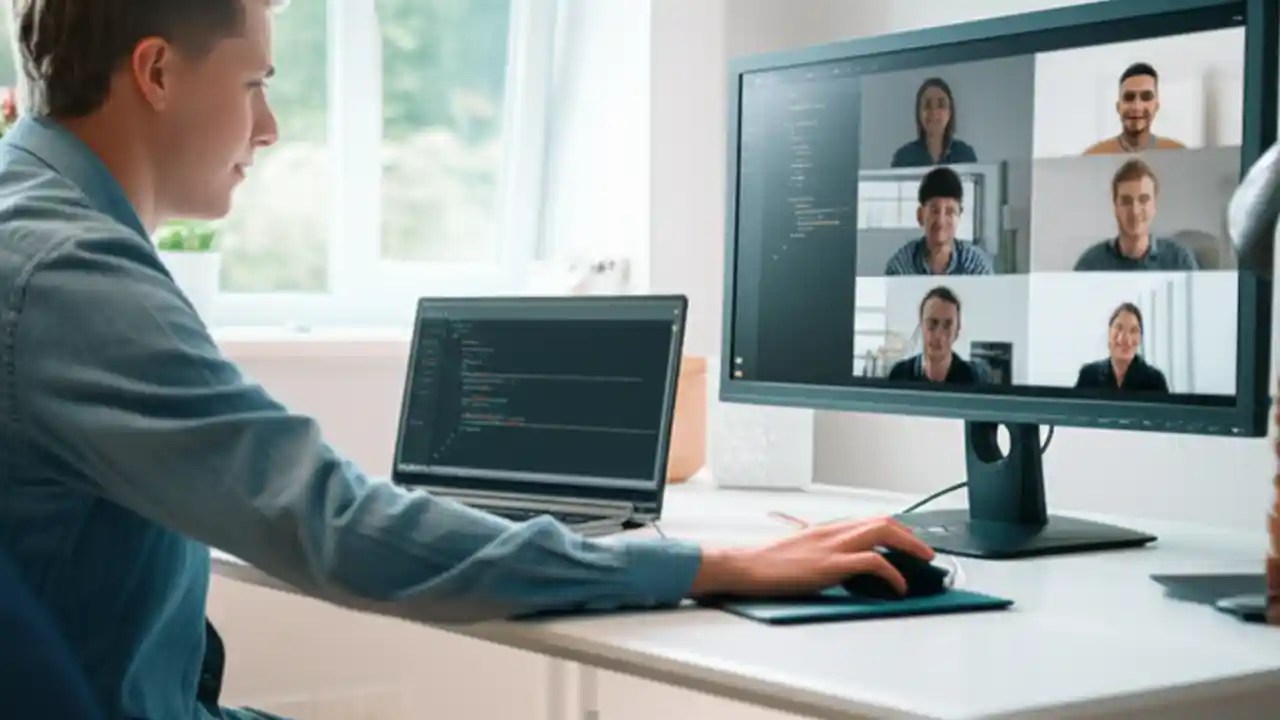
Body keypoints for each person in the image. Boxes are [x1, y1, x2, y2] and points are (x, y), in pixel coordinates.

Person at [0, 2, 937, 719]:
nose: (271, 126)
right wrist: (712, 566)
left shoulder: (36, 225)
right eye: (255, 84)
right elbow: (331, 524)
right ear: (157, 72)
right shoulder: (72, 276)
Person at [1073, 158, 1199, 271]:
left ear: (1154, 206)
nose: (1135, 210)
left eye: (1143, 200)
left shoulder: (1179, 261)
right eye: (1126, 201)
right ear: (1115, 207)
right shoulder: (1090, 265)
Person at [884, 166, 994, 276]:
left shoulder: (976, 265)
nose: (941, 221)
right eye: (934, 211)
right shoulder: (901, 265)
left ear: (959, 215)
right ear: (920, 215)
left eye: (950, 212)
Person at [888, 286, 987, 385]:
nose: (939, 335)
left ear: (957, 330)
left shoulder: (972, 378)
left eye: (947, 325)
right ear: (921, 326)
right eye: (932, 324)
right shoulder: (899, 375)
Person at [1083, 62, 1187, 155]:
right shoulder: (1094, 156)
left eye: (1146, 97)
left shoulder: (1179, 154)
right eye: (1129, 97)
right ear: (1118, 107)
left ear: (1156, 106)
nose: (1137, 106)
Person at [1074, 303, 1170, 393]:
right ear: (1109, 333)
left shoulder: (1155, 381)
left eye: (1133, 330)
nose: (1125, 339)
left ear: (1140, 338)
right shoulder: (1088, 376)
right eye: (1119, 328)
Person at [890, 77, 978, 167]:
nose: (934, 112)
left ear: (950, 112)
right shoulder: (904, 157)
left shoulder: (965, 155)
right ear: (918, 113)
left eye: (941, 105)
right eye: (927, 105)